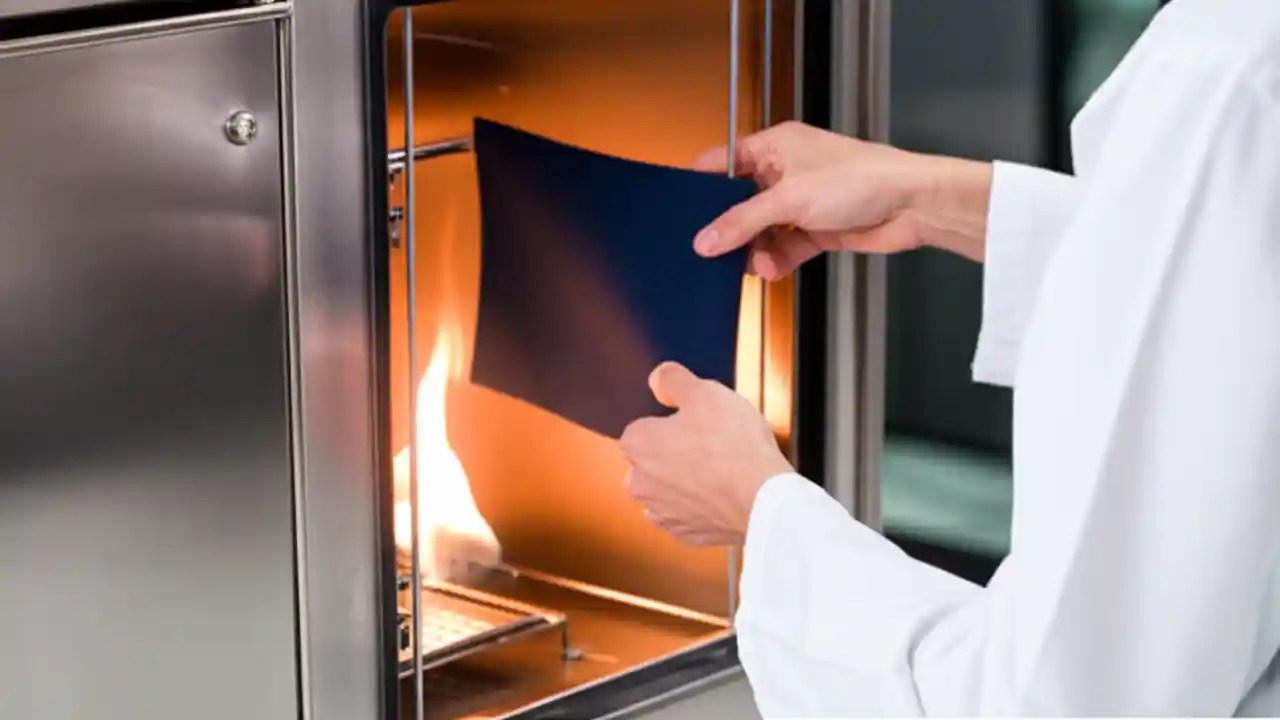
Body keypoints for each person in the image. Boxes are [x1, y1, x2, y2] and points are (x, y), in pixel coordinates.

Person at [619, 0, 1280, 715]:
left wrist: (760, 512)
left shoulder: (1231, 68)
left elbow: (1057, 703)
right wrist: (930, 199)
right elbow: (1228, 293)